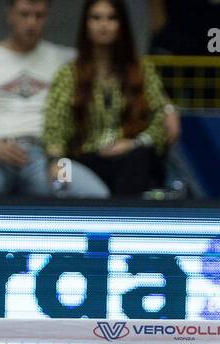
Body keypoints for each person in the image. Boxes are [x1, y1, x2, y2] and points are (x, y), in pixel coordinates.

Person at [0, 0, 108, 199]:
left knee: (93, 194)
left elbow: (106, 66)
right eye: (24, 14)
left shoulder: (65, 59)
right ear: (10, 15)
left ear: (46, 17)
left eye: (39, 15)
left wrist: (57, 155)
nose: (31, 22)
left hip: (49, 158)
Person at [45, 0, 173, 197]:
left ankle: (126, 224)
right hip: (84, 160)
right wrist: (57, 164)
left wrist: (134, 143)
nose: (103, 24)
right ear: (86, 24)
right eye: (96, 18)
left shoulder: (142, 71)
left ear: (122, 25)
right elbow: (55, 129)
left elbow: (160, 122)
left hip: (131, 156)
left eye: (111, 18)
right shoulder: (68, 74)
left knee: (138, 159)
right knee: (64, 177)